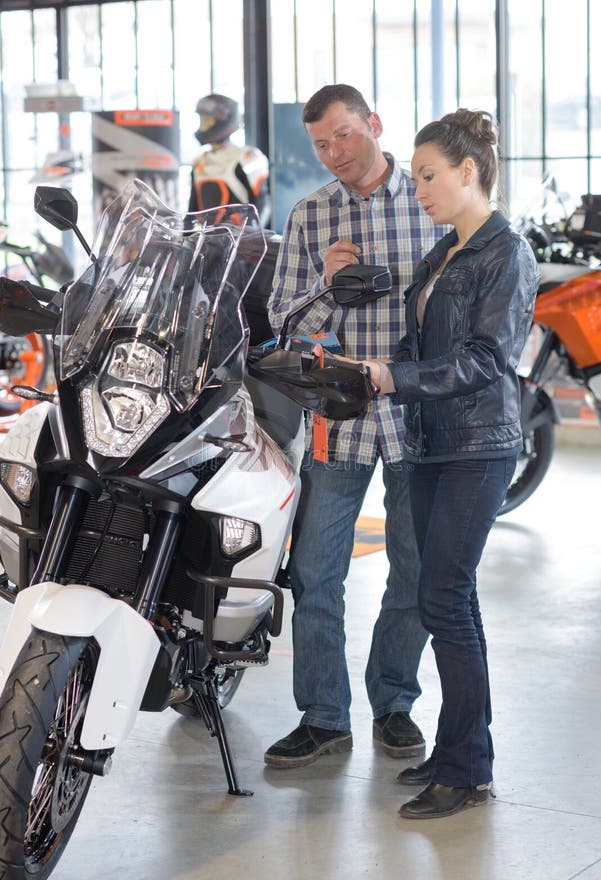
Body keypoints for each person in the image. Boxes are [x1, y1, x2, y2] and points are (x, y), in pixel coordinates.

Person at [348, 108, 539, 817]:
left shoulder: (506, 253)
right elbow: (420, 345)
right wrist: (364, 371)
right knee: (451, 598)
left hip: (478, 447)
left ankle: (463, 771)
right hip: (431, 444)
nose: (418, 189)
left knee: (442, 598)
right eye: (415, 177)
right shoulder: (443, 253)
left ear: (468, 170)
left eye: (428, 176)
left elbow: (486, 360)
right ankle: (464, 751)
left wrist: (394, 379)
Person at [264, 84, 445, 769]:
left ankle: (393, 704)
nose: (334, 153)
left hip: (415, 418)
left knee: (415, 570)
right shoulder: (309, 216)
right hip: (335, 420)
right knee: (314, 574)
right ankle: (323, 717)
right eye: (321, 144)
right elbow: (283, 323)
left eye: (344, 135)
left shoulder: (428, 201)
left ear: (374, 123)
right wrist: (325, 283)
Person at [188, 93, 271, 227]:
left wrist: (253, 234)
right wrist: (185, 236)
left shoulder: (247, 156)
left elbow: (262, 204)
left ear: (223, 120)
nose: (202, 124)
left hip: (240, 236)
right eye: (201, 118)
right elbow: (192, 210)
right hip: (208, 237)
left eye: (207, 119)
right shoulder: (200, 161)